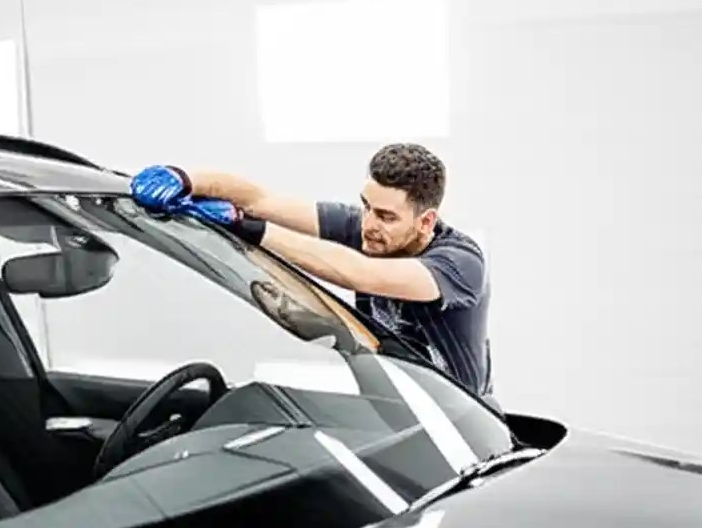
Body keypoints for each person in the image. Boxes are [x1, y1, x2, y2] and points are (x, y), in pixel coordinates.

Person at [130, 143, 496, 406]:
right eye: (366, 207)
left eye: (386, 216)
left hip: (462, 428)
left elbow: (361, 274)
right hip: (396, 408)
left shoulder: (460, 263)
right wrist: (184, 178)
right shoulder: (368, 231)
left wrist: (250, 229)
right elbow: (259, 200)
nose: (368, 225)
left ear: (426, 221)